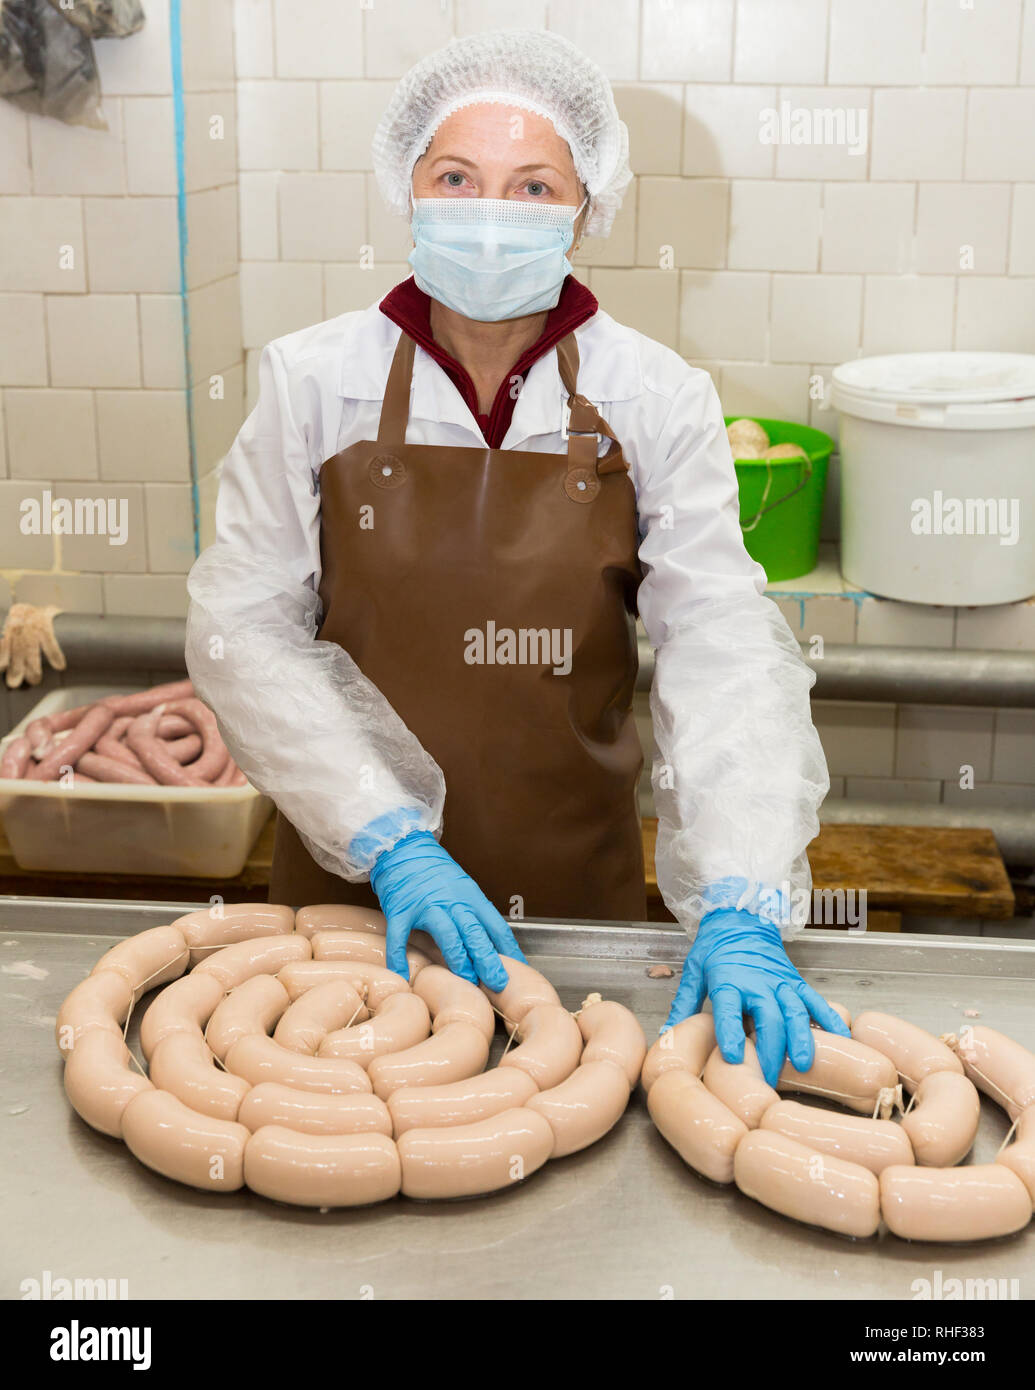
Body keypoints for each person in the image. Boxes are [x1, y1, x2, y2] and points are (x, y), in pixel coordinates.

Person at [185, 29, 848, 1086]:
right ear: (407, 184)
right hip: (356, 892)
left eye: (534, 184)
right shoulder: (313, 381)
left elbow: (718, 640)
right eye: (458, 176)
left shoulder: (654, 395)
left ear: (587, 207)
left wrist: (739, 892)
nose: (492, 211)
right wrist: (388, 836)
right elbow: (242, 627)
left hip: (571, 897)